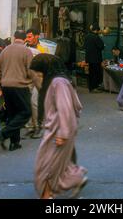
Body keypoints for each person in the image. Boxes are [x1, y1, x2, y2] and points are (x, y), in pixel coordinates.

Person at [31, 54, 87, 199]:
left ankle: (47, 194)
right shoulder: (58, 80)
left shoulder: (58, 82)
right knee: (55, 163)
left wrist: (63, 133)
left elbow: (65, 108)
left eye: (40, 72)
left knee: (46, 166)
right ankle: (74, 179)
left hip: (58, 129)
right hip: (56, 128)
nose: (39, 76)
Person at [0, 30, 41, 151]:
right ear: (24, 39)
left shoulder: (5, 50)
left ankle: (15, 143)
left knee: (13, 114)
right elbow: (32, 71)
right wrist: (40, 87)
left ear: (14, 38)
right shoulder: (26, 51)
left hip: (6, 87)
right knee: (26, 112)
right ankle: (3, 134)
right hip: (20, 87)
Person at [25, 28, 48, 138]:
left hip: (39, 79)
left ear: (37, 36)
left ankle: (41, 127)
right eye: (27, 37)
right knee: (28, 103)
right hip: (27, 80)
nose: (27, 39)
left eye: (30, 37)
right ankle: (30, 127)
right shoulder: (25, 48)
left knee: (35, 103)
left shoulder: (43, 49)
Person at [84, 23, 105, 93]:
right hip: (96, 59)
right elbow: (101, 46)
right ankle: (94, 87)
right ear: (96, 30)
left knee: (91, 73)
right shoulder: (96, 37)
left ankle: (91, 87)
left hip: (89, 58)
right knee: (96, 73)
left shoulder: (87, 36)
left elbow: (84, 46)